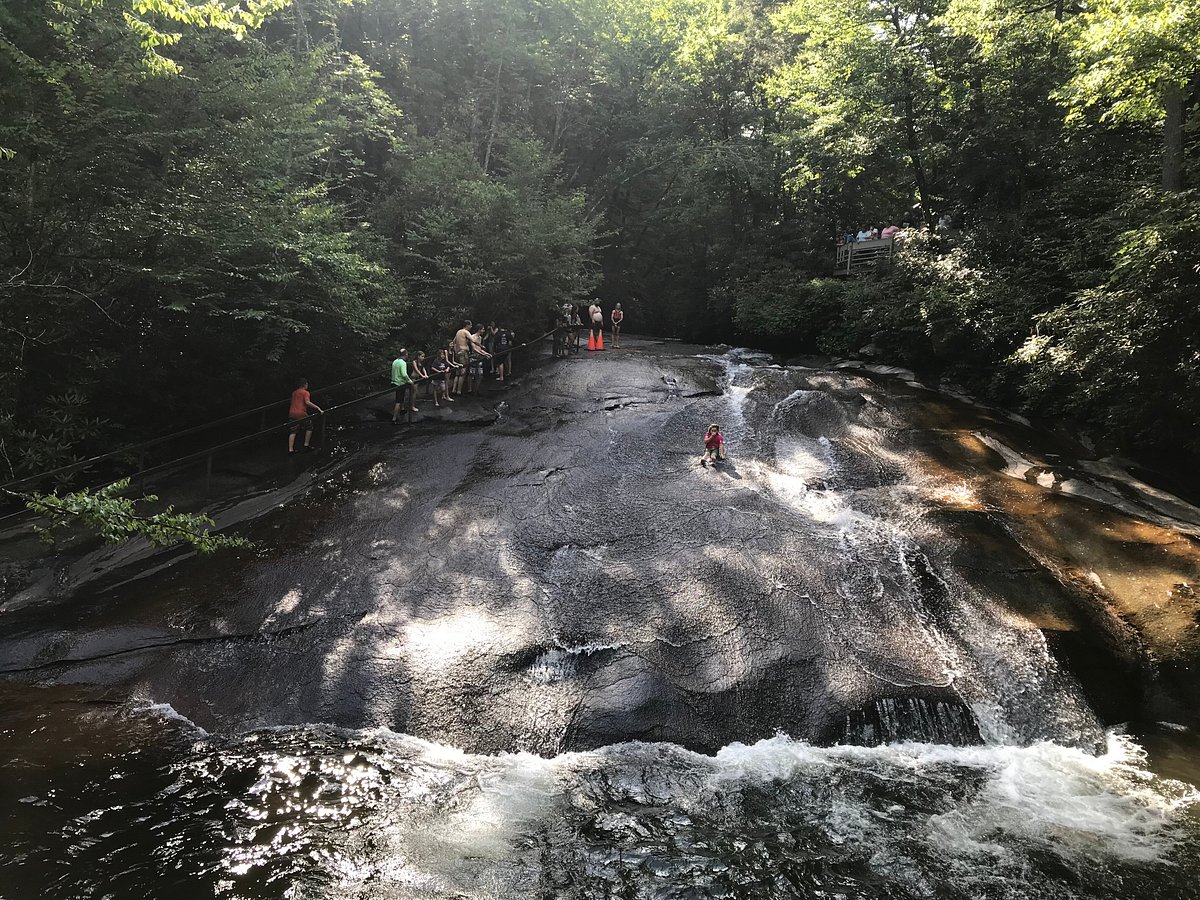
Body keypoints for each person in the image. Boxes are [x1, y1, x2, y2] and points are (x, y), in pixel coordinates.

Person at [288, 378, 323, 453]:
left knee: (293, 431)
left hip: (292, 413)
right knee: (309, 426)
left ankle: (290, 450)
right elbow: (307, 402)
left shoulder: (294, 392)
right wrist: (317, 408)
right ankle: (306, 445)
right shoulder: (305, 392)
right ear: (305, 384)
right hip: (301, 413)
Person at [391, 349, 416, 423]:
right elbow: (404, 374)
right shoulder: (403, 363)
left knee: (401, 397)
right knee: (398, 401)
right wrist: (409, 381)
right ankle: (394, 418)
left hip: (394, 381)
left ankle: (402, 410)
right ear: (405, 354)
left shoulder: (395, 361)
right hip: (400, 383)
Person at [452, 320, 473, 395]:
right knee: (462, 372)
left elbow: (453, 342)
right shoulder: (465, 332)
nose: (471, 327)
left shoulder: (458, 332)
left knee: (458, 372)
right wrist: (480, 346)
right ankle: (459, 391)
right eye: (470, 325)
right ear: (467, 325)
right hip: (463, 353)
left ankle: (454, 389)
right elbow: (473, 340)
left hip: (458, 352)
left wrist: (455, 350)